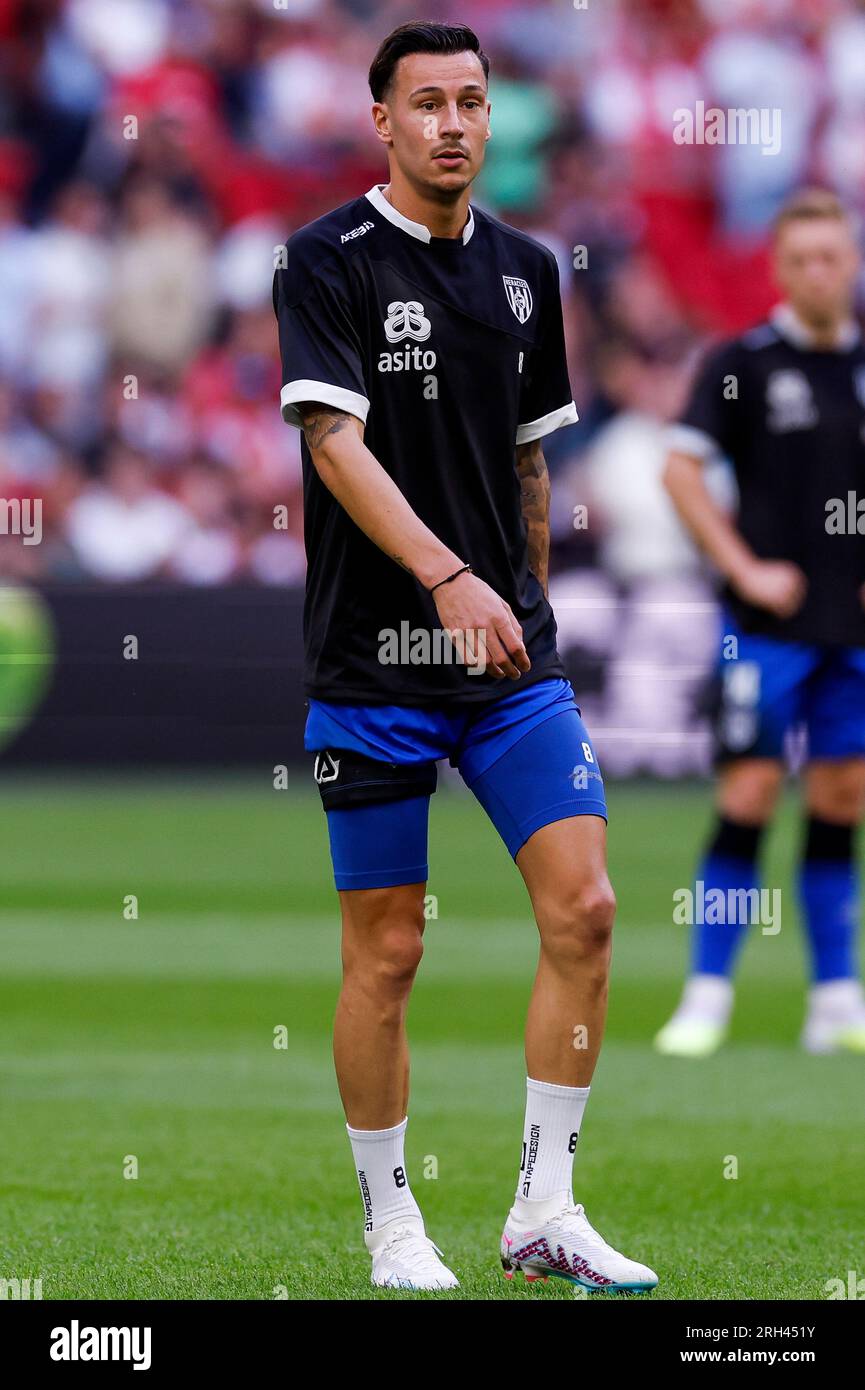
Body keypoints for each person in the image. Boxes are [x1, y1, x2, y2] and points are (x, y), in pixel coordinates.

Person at [273, 20, 657, 1293]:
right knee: (386, 954)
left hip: (507, 664)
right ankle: (391, 1221)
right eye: (427, 102)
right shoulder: (324, 261)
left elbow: (531, 455)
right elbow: (333, 444)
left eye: (473, 101)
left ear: (494, 121)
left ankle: (543, 1207)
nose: (453, 122)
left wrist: (522, 598)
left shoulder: (530, 271)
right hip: (375, 662)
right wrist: (447, 576)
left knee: (589, 909)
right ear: (380, 120)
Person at [656, 189, 865, 1059]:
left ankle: (833, 996)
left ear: (850, 261)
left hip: (848, 632)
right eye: (802, 258)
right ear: (778, 269)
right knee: (746, 793)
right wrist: (742, 566)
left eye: (832, 255)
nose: (820, 271)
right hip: (764, 626)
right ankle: (707, 992)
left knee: (839, 798)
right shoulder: (741, 361)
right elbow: (679, 471)